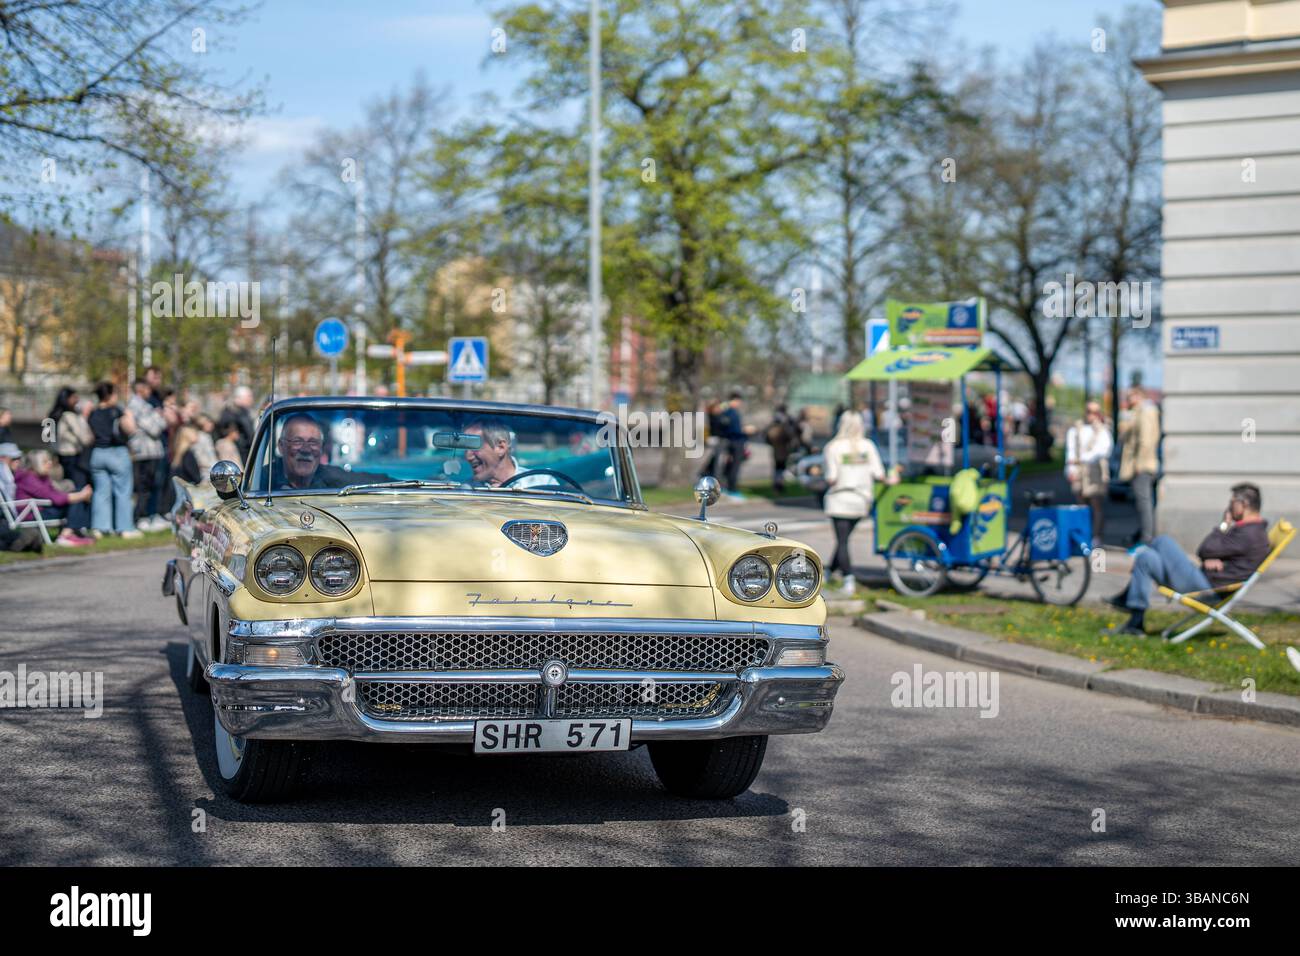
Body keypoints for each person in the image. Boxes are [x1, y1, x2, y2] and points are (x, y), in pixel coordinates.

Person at [1104, 483, 1272, 636]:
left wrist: (1224, 526)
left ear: (1243, 505)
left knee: (1163, 542)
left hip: (1207, 590)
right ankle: (1135, 624)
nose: (1229, 507)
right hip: (1206, 581)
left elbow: (1205, 549)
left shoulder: (1249, 533)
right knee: (1146, 557)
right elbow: (1219, 554)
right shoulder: (1254, 532)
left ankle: (1126, 600)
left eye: (1232, 502)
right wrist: (1216, 559)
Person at [822, 411, 895, 596]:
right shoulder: (868, 446)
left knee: (842, 540)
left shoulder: (833, 447)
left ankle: (848, 579)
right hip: (861, 500)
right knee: (843, 539)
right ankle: (829, 573)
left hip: (839, 499)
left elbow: (831, 478)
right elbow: (879, 474)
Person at [271, 414, 389, 490]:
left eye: (313, 442)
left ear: (322, 448)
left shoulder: (332, 477)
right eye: (297, 441)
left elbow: (375, 482)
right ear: (281, 446)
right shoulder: (262, 481)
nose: (306, 449)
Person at [88, 382, 139, 538]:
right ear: (110, 395)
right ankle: (124, 528)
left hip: (97, 453)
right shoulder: (117, 411)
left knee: (101, 492)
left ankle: (100, 527)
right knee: (123, 492)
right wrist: (129, 415)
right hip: (116, 452)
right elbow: (131, 430)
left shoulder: (93, 413)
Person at [13, 449, 95, 546]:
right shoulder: (28, 479)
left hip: (42, 509)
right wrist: (80, 495)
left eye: (49, 460)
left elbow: (54, 494)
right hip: (32, 514)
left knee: (78, 494)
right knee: (77, 497)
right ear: (35, 464)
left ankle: (72, 532)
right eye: (45, 462)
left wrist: (80, 495)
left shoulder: (43, 477)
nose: (50, 463)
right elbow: (54, 498)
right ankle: (66, 535)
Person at [1065, 401, 1112, 548]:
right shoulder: (1075, 429)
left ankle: (1096, 536)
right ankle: (1083, 535)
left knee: (1096, 504)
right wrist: (1070, 469)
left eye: (1095, 411)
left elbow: (1104, 449)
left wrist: (1086, 457)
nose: (1092, 415)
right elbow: (1071, 451)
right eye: (1089, 411)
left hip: (1095, 471)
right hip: (1079, 470)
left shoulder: (1103, 430)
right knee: (1081, 504)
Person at [1118, 384, 1160, 546]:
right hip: (1139, 465)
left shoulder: (1146, 411)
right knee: (1141, 504)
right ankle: (1143, 535)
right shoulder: (1136, 413)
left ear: (1139, 396)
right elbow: (1124, 436)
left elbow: (1146, 439)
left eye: (1130, 396)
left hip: (1142, 466)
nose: (1127, 400)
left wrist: (1139, 464)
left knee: (1144, 504)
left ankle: (1146, 539)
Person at [49, 387, 95, 537]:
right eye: (75, 398)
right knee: (79, 489)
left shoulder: (51, 416)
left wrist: (55, 451)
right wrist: (84, 416)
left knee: (68, 488)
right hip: (74, 456)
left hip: (61, 456)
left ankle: (71, 523)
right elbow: (85, 438)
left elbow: (46, 439)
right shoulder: (70, 416)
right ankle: (76, 524)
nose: (77, 401)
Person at [126, 378, 168, 530]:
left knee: (154, 485)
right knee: (143, 487)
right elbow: (155, 428)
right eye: (147, 389)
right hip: (144, 452)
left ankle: (152, 515)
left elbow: (162, 425)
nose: (150, 392)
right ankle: (141, 517)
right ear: (141, 389)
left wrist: (158, 417)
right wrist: (158, 415)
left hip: (153, 451)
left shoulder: (146, 405)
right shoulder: (136, 405)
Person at [462, 419, 553, 488]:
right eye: (466, 450)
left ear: (500, 447)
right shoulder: (466, 490)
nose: (468, 457)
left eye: (474, 447)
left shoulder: (542, 482)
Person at [717, 392, 749, 496]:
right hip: (736, 441)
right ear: (735, 400)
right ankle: (732, 489)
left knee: (729, 465)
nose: (739, 403)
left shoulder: (726, 412)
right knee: (735, 466)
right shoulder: (732, 413)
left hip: (731, 441)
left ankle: (726, 486)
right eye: (738, 401)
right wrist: (746, 431)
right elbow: (735, 430)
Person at [217, 385, 257, 463]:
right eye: (249, 397)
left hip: (247, 450)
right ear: (239, 398)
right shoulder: (230, 412)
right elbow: (225, 430)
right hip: (236, 452)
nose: (251, 399)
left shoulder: (245, 412)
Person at [765, 405, 798, 493]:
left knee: (778, 467)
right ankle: (778, 485)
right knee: (781, 467)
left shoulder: (774, 423)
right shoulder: (783, 423)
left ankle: (777, 484)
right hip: (782, 448)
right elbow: (789, 435)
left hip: (777, 448)